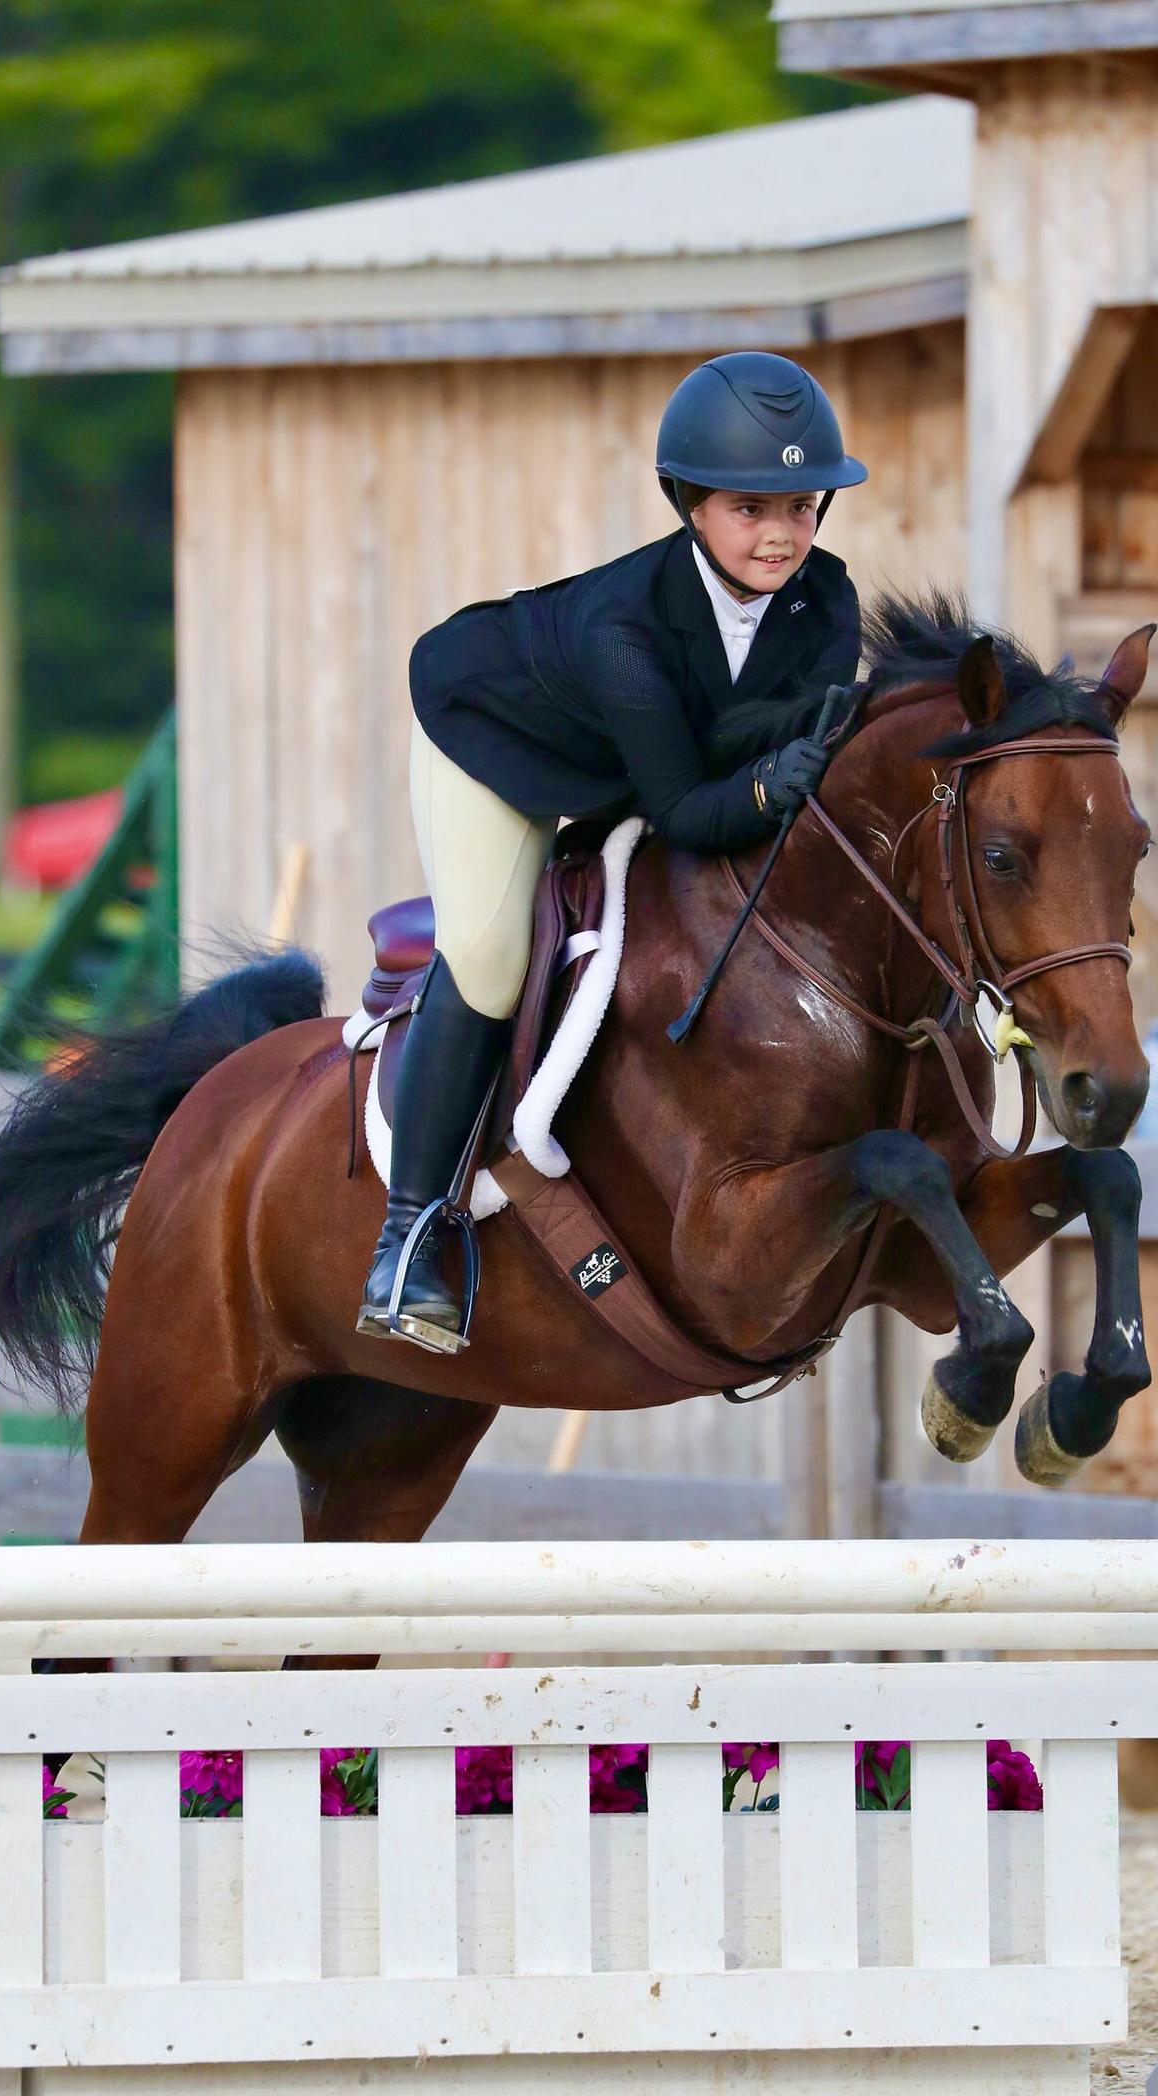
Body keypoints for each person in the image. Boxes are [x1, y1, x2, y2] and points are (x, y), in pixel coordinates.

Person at [358, 350, 867, 1354]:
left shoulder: (826, 602)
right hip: (499, 740)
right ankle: (412, 1233)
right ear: (686, 504)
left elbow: (774, 750)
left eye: (802, 507)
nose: (782, 534)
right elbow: (686, 806)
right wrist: (775, 780)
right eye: (748, 508)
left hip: (640, 760)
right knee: (495, 951)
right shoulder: (623, 630)